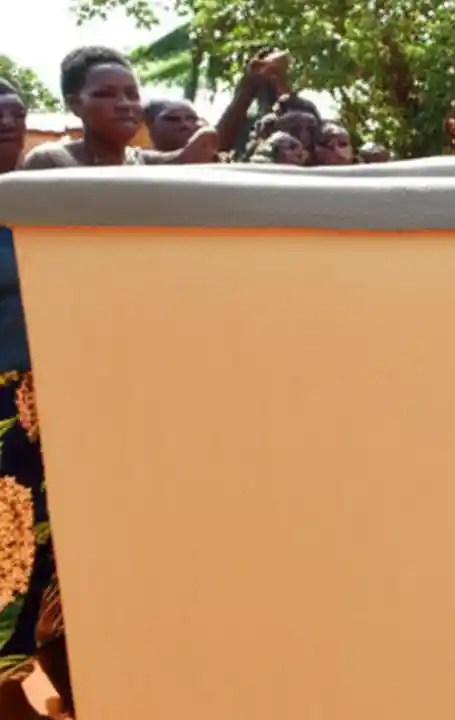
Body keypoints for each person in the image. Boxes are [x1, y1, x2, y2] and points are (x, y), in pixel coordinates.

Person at [0, 79, 64, 720]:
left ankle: (51, 665)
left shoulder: (40, 201)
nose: (8, 123)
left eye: (16, 114)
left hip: (54, 398)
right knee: (11, 548)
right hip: (5, 407)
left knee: (54, 545)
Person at [22, 46, 218, 169]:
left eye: (132, 95)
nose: (125, 104)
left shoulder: (140, 161)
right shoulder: (52, 161)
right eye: (105, 94)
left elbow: (189, 158)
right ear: (75, 104)